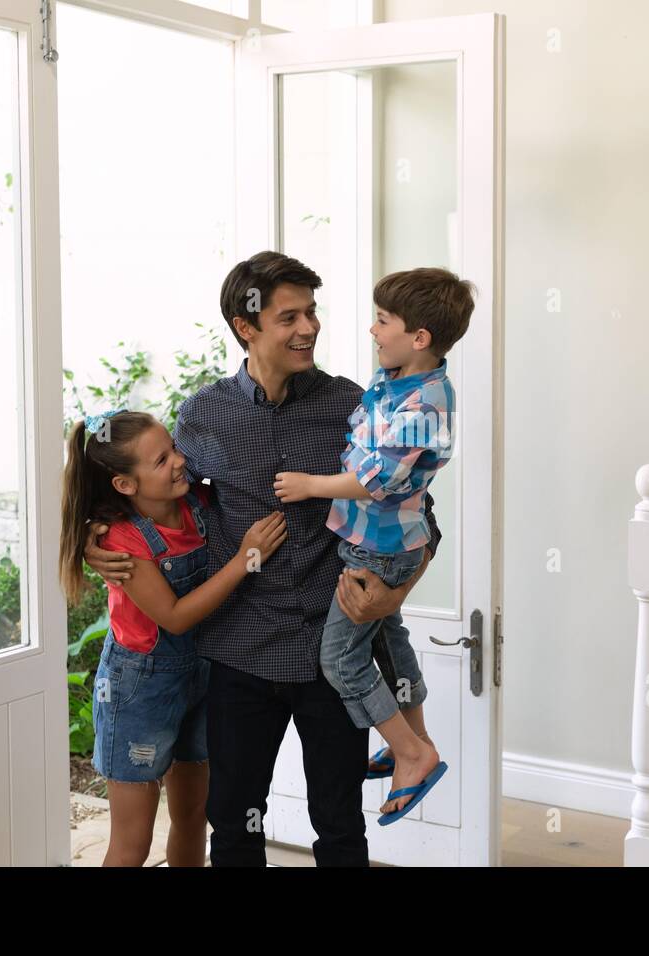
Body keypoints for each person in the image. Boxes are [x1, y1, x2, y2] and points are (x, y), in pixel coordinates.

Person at [84, 251, 443, 865]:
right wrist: (99, 539)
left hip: (329, 652)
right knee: (234, 824)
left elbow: (419, 515)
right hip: (236, 657)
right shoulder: (204, 417)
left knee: (338, 824)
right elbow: (157, 496)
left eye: (312, 312)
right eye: (289, 317)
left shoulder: (352, 407)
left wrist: (395, 596)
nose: (309, 328)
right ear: (244, 326)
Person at [273, 267, 473, 824]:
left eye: (384, 321)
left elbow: (379, 479)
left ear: (420, 338)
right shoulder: (400, 379)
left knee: (340, 658)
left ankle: (414, 755)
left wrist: (311, 485)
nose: (372, 330)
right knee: (390, 638)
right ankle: (414, 734)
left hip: (380, 550)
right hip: (380, 542)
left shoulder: (424, 404)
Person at [60, 409, 286, 865]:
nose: (179, 462)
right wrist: (246, 559)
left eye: (174, 449)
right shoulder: (121, 541)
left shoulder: (197, 503)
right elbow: (176, 617)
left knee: (192, 819)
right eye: (161, 460)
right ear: (125, 484)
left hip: (201, 676)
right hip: (140, 687)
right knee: (132, 843)